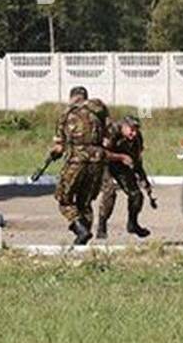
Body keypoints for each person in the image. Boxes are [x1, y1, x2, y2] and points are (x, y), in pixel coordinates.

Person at [49, 86, 126, 245]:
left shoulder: (67, 114)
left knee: (64, 199)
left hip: (76, 160)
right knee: (85, 202)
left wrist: (53, 155)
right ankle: (82, 242)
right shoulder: (99, 110)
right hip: (97, 161)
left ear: (72, 97)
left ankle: (81, 229)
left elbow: (59, 146)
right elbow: (108, 135)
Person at [97, 115, 152, 239]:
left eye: (136, 130)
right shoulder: (112, 131)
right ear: (123, 126)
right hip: (103, 163)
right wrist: (121, 157)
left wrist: (144, 180)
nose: (134, 133)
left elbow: (137, 161)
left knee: (136, 195)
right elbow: (101, 153)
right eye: (131, 129)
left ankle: (133, 224)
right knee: (109, 191)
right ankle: (102, 225)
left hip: (121, 165)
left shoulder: (137, 139)